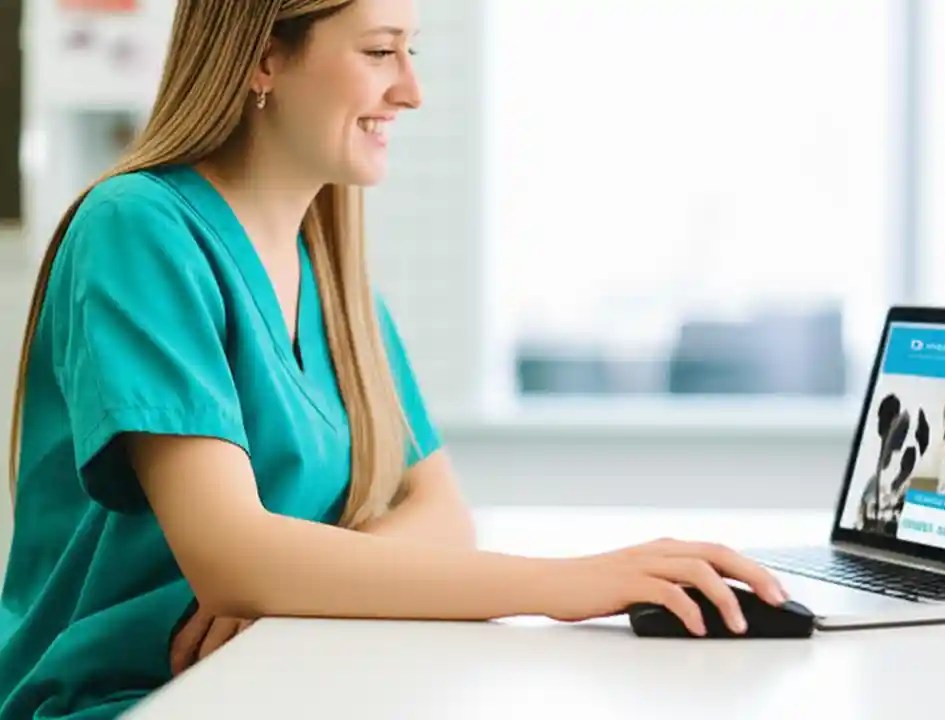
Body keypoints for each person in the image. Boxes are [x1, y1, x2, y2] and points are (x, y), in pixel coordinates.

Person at [0, 1, 787, 716]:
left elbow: (443, 514)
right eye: (380, 52)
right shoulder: (137, 229)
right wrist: (569, 583)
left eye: (412, 52)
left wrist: (289, 588)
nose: (411, 91)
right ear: (262, 58)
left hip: (274, 680)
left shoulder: (333, 276)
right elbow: (232, 556)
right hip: (126, 702)